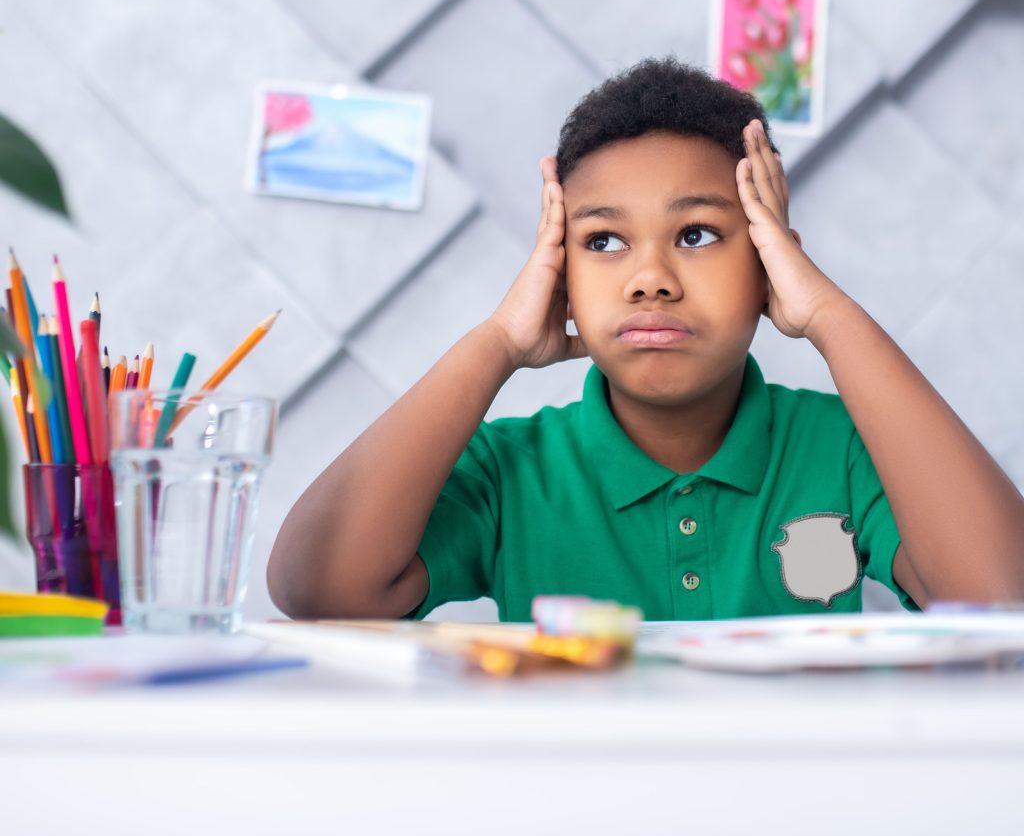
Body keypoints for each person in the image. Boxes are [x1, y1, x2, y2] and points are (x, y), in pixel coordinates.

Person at [267, 58, 1024, 623]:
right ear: (560, 274)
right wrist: (495, 341)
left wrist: (829, 313)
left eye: (696, 234)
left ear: (770, 262)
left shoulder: (843, 448)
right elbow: (318, 588)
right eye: (602, 243)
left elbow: (1002, 599)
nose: (649, 278)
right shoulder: (509, 469)